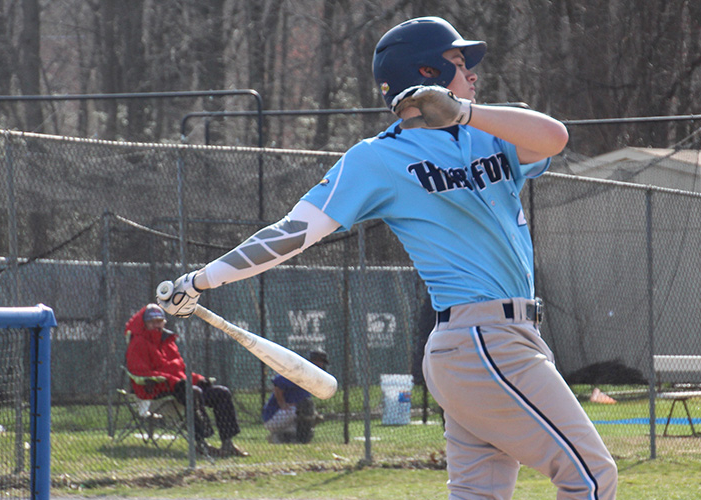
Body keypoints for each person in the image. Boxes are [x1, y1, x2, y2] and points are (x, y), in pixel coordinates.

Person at [158, 16, 617, 499]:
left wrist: (460, 110)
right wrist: (204, 279)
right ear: (426, 73)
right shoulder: (377, 158)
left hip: (504, 342)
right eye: (459, 65)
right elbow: (293, 232)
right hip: (480, 342)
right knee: (590, 476)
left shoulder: (488, 130)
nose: (473, 76)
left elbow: (555, 136)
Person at [125, 303, 249, 458]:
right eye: (152, 321)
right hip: (157, 390)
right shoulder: (138, 342)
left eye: (159, 321)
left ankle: (227, 444)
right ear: (145, 323)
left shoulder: (168, 340)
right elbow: (141, 372)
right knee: (194, 393)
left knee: (221, 393)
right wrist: (172, 381)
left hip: (179, 386)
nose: (157, 325)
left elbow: (181, 369)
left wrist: (198, 379)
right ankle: (200, 444)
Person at [261, 349, 329, 443]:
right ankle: (281, 435)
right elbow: (278, 385)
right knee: (306, 406)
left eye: (321, 362)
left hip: (287, 415)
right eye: (317, 361)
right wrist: (282, 403)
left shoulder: (311, 377)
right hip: (274, 416)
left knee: (305, 432)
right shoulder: (299, 372)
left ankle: (278, 437)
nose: (320, 364)